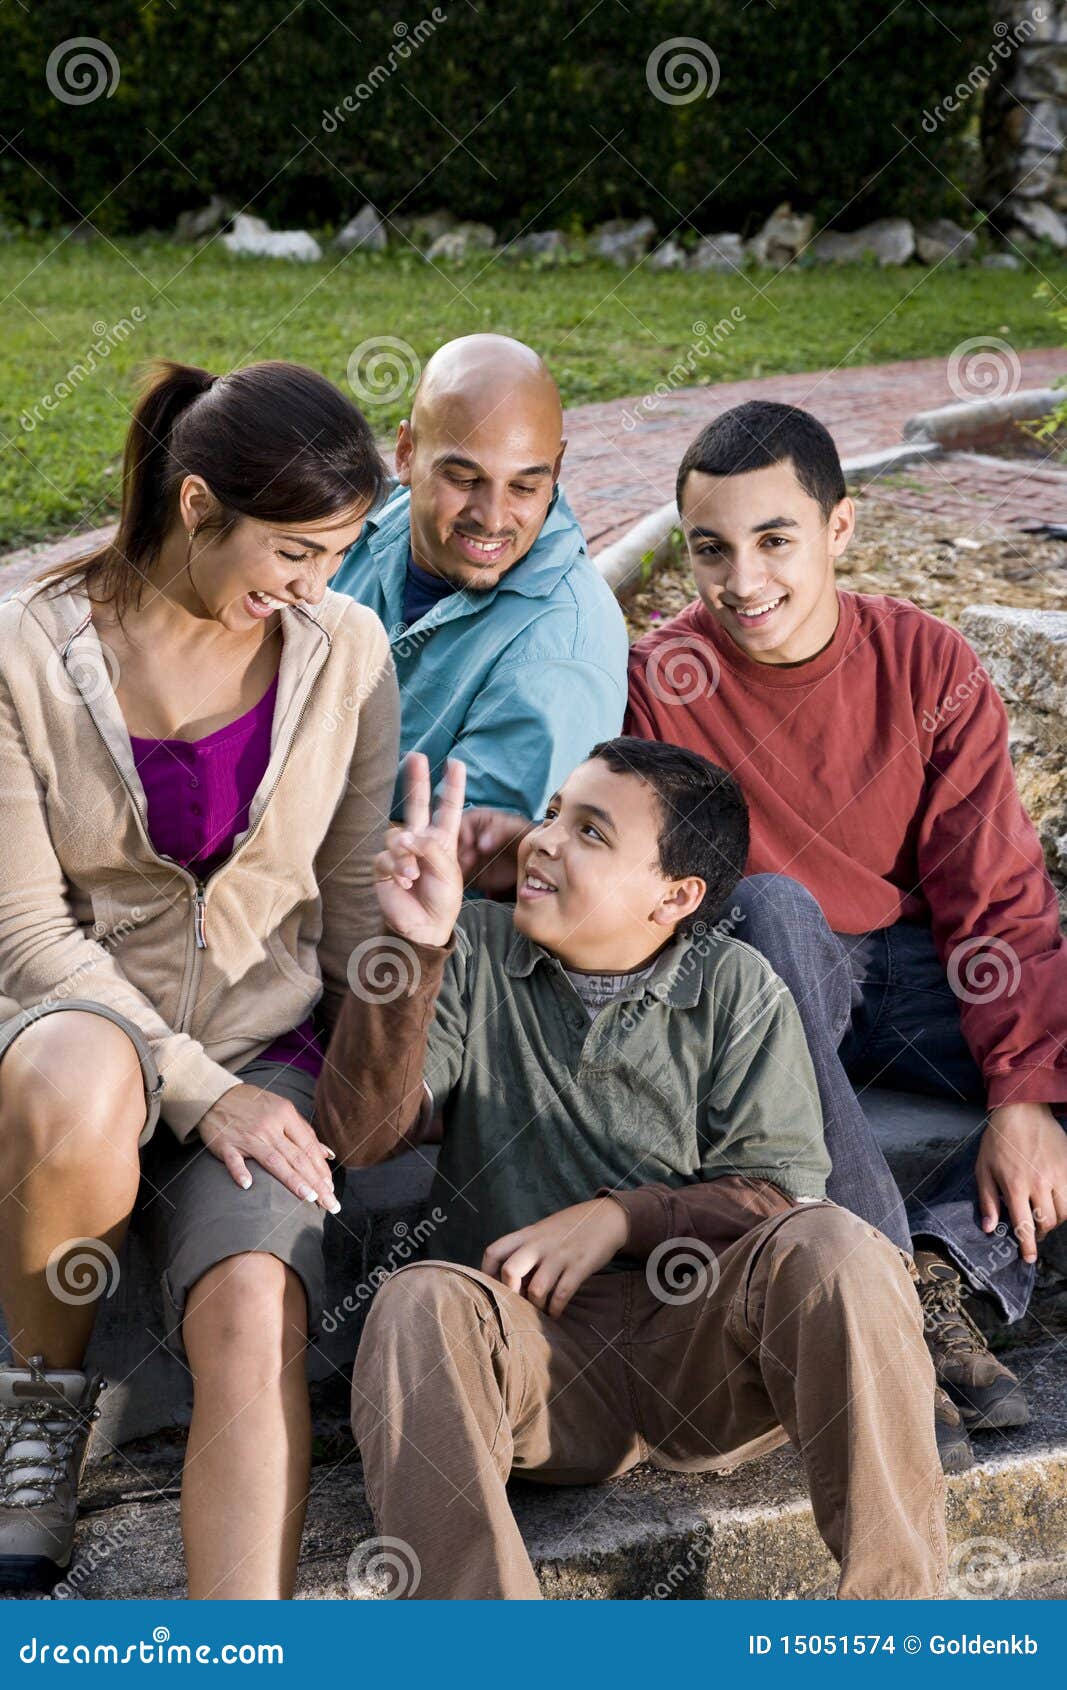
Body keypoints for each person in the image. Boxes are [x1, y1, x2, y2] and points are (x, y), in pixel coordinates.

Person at [316, 741, 947, 1601]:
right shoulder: (471, 947)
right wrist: (414, 949)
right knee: (414, 1301)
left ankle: (894, 1627)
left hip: (707, 1360)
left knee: (836, 1242)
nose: (542, 842)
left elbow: (777, 1190)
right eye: (549, 815)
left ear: (675, 896)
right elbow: (360, 1138)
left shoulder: (735, 984)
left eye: (589, 832)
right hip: (536, 1360)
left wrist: (621, 1216)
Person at [0, 360, 399, 1596]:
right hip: (72, 1031)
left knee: (248, 1310)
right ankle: (42, 1406)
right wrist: (192, 1085)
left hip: (263, 1049)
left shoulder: (345, 650)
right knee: (80, 1082)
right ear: (194, 507)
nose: (311, 587)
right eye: (293, 551)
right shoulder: (23, 650)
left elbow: (348, 901)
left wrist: (397, 1023)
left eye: (336, 555)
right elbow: (22, 933)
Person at [624, 399, 1067, 1465]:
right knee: (768, 907)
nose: (742, 581)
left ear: (839, 529)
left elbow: (993, 894)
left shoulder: (925, 664)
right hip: (772, 990)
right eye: (709, 550)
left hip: (911, 976)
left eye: (773, 539)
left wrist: (1022, 1094)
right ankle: (885, 1320)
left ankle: (941, 1266)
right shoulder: (658, 685)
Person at [330, 333, 628, 877]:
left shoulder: (561, 652)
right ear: (405, 453)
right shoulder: (347, 526)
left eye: (524, 487)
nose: (492, 518)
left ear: (556, 471)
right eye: (463, 479)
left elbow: (458, 874)